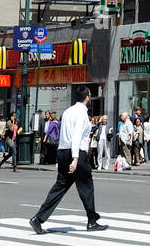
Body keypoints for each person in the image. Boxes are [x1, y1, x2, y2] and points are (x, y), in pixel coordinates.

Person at [30, 87, 106, 234]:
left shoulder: (68, 111)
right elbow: (76, 136)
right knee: (86, 186)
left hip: (62, 151)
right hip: (76, 152)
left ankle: (38, 219)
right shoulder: (82, 114)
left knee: (60, 187)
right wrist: (76, 158)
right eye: (90, 95)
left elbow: (65, 134)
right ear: (87, 97)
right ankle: (92, 221)